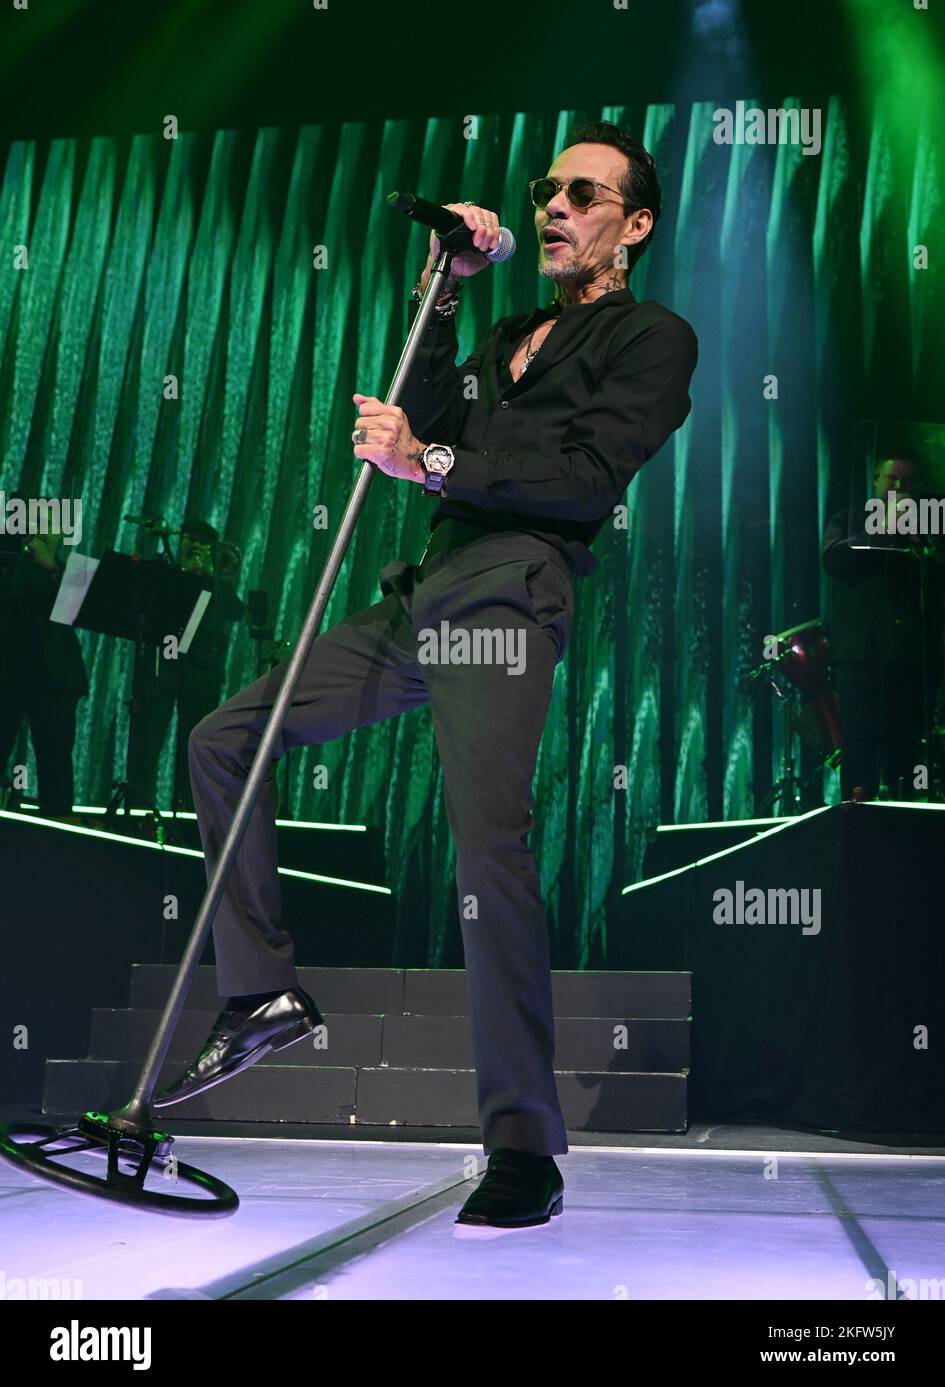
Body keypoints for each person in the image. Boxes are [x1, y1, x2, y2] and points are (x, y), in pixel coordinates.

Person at [155, 121, 698, 1231]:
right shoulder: (510, 327)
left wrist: (430, 460)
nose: (554, 205)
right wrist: (446, 283)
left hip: (508, 595)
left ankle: (522, 1148)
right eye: (547, 187)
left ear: (633, 225)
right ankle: (260, 989)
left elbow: (586, 476)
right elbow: (432, 407)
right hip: (423, 595)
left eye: (583, 194)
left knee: (488, 849)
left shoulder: (652, 338)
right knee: (224, 736)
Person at [823, 450, 945, 800]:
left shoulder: (929, 525)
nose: (900, 488)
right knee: (861, 746)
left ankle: (905, 821)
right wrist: (886, 529)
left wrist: (923, 545)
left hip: (912, 657)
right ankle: (858, 829)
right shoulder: (850, 518)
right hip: (862, 657)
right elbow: (835, 559)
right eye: (892, 480)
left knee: (906, 751)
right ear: (875, 480)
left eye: (907, 482)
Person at [125, 518, 244, 812]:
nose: (195, 547)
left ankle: (188, 815)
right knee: (148, 739)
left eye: (202, 544)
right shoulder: (162, 573)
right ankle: (139, 808)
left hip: (200, 670)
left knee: (193, 743)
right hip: (161, 665)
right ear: (179, 543)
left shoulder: (216, 583)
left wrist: (210, 578)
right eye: (189, 540)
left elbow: (236, 611)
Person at [0, 518, 88, 817]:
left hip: (56, 680)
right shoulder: (10, 565)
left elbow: (80, 613)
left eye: (49, 524)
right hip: (10, 673)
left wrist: (51, 567)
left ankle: (60, 828)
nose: (40, 528)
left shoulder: (74, 571)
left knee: (55, 764)